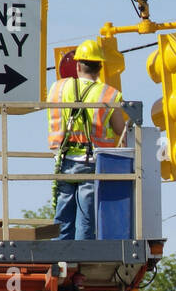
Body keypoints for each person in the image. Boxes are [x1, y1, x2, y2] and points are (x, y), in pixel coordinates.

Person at [46, 40, 128, 241]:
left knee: (62, 214)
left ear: (77, 65)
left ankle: (60, 257)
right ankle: (81, 259)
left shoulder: (57, 88)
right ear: (100, 67)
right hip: (92, 163)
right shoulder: (109, 94)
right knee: (86, 218)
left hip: (63, 161)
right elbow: (121, 129)